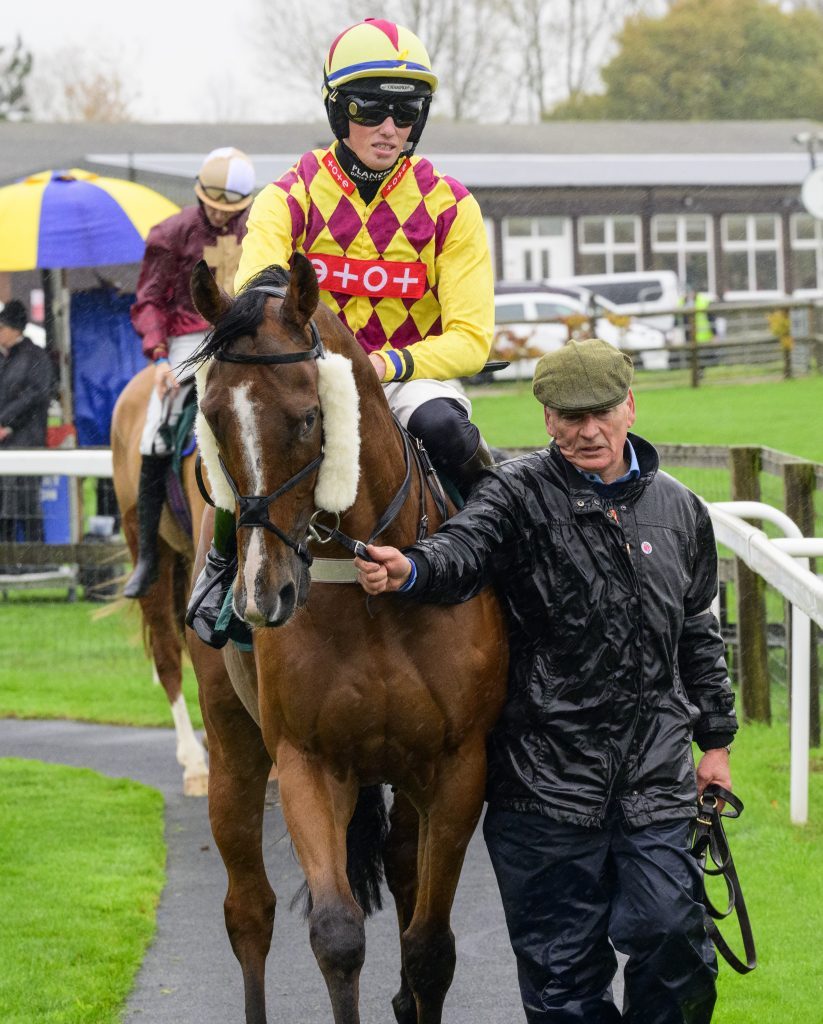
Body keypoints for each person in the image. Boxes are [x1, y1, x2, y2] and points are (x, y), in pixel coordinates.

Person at [354, 338, 738, 1024]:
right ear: (545, 419)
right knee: (562, 978)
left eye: (599, 413)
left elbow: (696, 633)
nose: (587, 431)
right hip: (542, 786)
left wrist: (715, 742)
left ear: (628, 406)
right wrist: (407, 571)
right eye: (568, 416)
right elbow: (460, 551)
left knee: (674, 940)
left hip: (653, 777)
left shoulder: (679, 509)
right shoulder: (514, 493)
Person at [188, 18, 496, 646]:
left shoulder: (450, 206)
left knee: (445, 428)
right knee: (244, 427)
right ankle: (224, 566)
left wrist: (382, 367)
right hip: (306, 374)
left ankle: (512, 554)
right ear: (338, 110)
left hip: (404, 380)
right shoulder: (288, 197)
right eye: (371, 108)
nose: (390, 127)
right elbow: (257, 300)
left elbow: (472, 339)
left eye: (406, 111)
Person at [123, 147, 256, 598]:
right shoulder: (172, 233)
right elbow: (149, 301)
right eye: (214, 204)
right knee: (155, 432)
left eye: (230, 207)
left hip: (242, 336)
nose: (220, 214)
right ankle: (147, 557)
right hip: (185, 340)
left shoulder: (258, 230)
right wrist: (158, 357)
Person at [0, 299, 55, 568]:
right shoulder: (8, 358)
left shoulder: (36, 357)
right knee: (7, 503)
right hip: (9, 442)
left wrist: (5, 423)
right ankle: (8, 562)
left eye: (1, 327)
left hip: (26, 441)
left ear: (13, 329)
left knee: (24, 504)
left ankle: (37, 561)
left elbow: (35, 396)